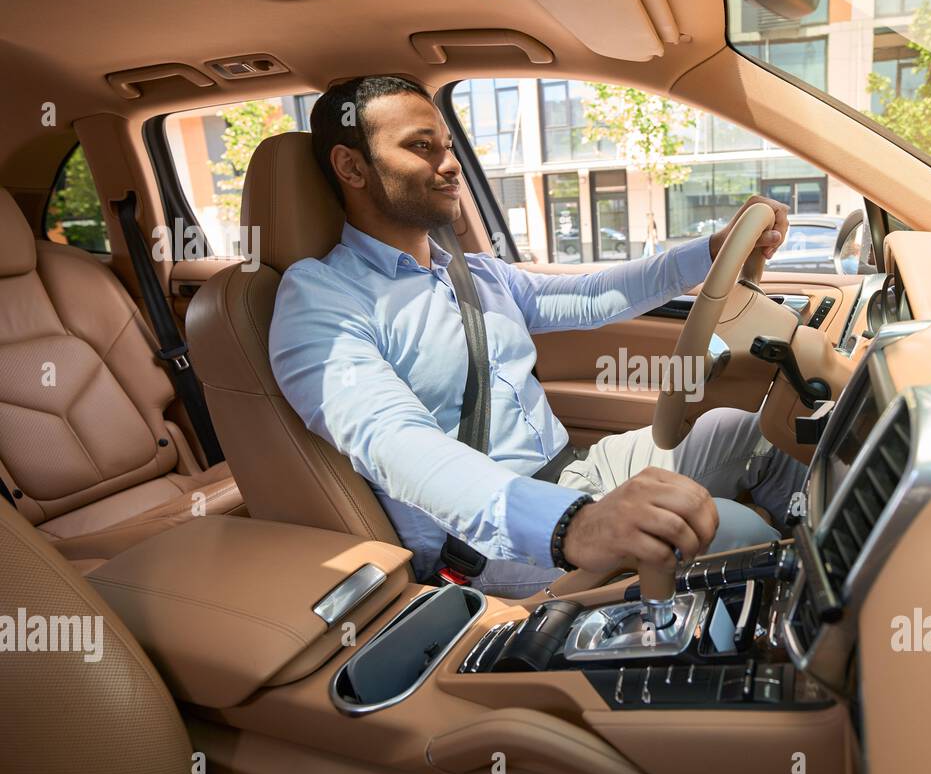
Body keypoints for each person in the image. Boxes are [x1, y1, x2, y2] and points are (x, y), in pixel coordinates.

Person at [269, 75, 808, 598]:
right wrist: (575, 525)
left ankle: (830, 557)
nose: (451, 163)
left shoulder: (476, 272)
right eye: (421, 146)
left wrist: (709, 253)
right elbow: (395, 442)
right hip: (488, 546)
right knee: (732, 533)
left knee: (761, 430)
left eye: (449, 146)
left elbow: (592, 297)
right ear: (351, 167)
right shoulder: (320, 299)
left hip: (575, 469)